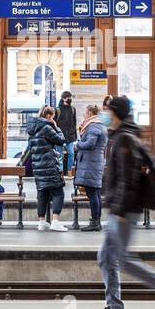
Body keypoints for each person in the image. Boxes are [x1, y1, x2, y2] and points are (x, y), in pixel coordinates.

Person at [87, 95, 155, 309]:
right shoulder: (120, 136)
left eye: (107, 111)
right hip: (119, 208)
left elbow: (128, 179)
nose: (103, 115)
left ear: (116, 113)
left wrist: (120, 211)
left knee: (121, 258)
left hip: (124, 211)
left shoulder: (124, 140)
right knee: (105, 257)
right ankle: (114, 308)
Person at [26, 106, 69, 231]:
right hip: (49, 165)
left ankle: (42, 222)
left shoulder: (33, 130)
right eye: (53, 116)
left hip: (38, 166)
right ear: (50, 116)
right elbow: (61, 140)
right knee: (58, 193)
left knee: (42, 192)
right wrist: (56, 127)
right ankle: (55, 221)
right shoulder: (46, 127)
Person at [73, 102, 108, 232]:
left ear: (90, 113)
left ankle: (95, 222)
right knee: (95, 192)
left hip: (91, 163)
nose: (84, 115)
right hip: (93, 162)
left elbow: (90, 143)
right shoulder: (99, 125)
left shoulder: (93, 126)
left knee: (92, 192)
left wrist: (78, 145)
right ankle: (96, 221)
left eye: (85, 112)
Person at [56, 90, 78, 173]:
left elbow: (74, 123)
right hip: (59, 137)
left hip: (70, 136)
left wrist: (75, 137)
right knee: (60, 155)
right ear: (63, 98)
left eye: (70, 98)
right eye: (68, 98)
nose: (70, 99)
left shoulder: (73, 109)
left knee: (71, 154)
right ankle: (60, 172)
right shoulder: (57, 110)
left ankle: (69, 171)